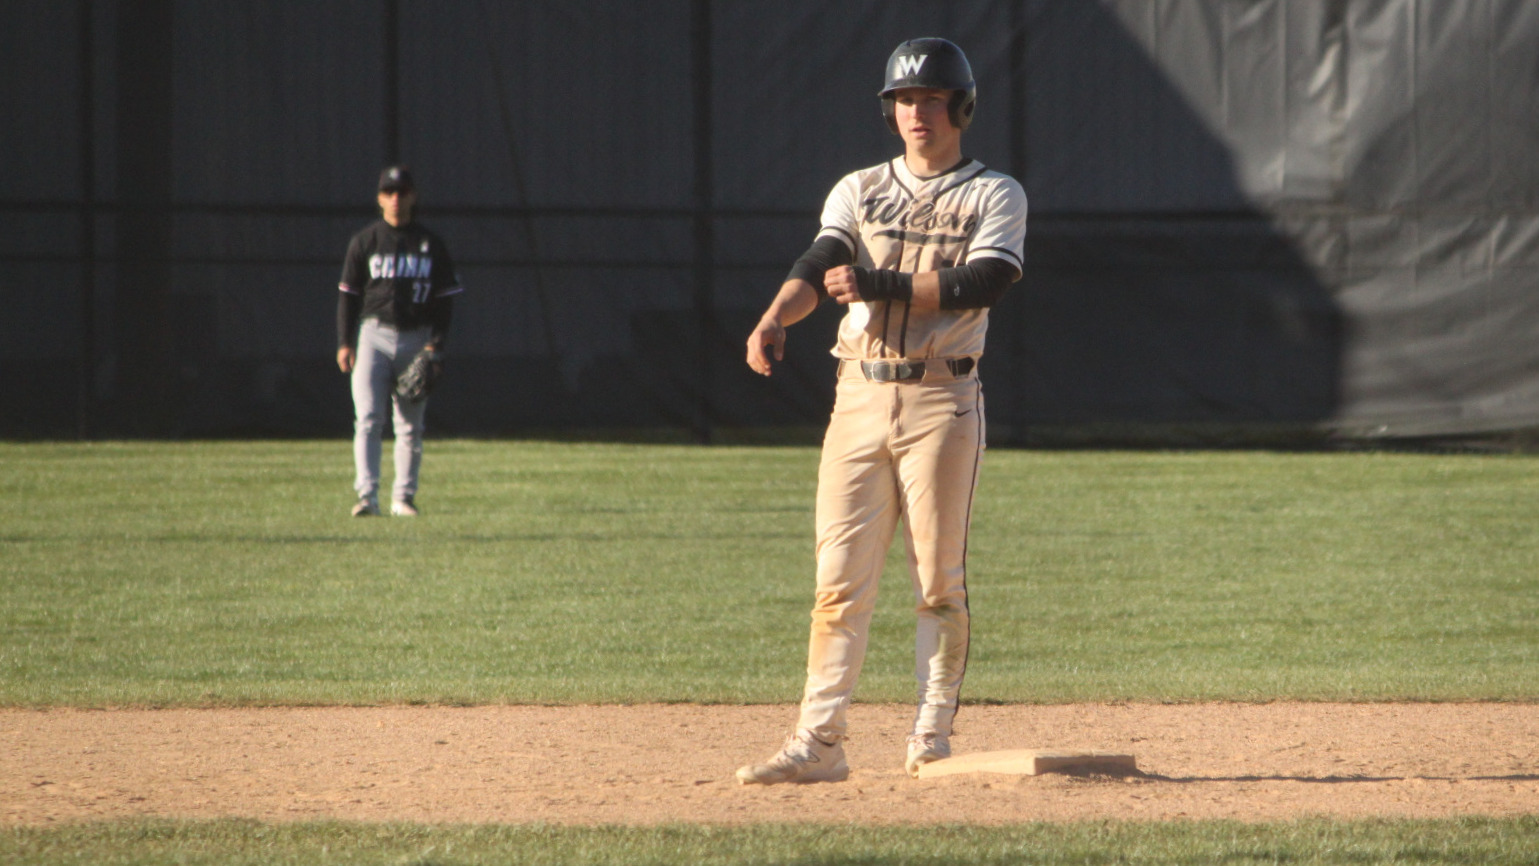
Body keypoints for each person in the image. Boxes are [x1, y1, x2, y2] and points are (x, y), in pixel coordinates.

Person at [736, 38, 1027, 784]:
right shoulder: (859, 188)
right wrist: (774, 316)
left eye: (931, 98)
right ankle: (819, 742)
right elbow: (817, 263)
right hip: (857, 394)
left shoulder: (994, 192)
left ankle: (930, 734)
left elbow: (985, 280)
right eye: (903, 99)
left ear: (960, 107)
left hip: (942, 396)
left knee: (937, 579)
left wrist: (879, 283)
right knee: (837, 582)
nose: (916, 112)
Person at [336, 165, 463, 517]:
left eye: (402, 192)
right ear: (379, 199)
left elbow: (444, 300)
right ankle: (367, 497)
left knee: (409, 425)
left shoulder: (430, 244)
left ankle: (403, 498)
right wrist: (344, 343)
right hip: (373, 336)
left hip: (417, 337)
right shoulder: (365, 242)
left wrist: (436, 344)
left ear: (413, 196)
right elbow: (348, 296)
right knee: (368, 419)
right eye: (389, 193)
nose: (396, 199)